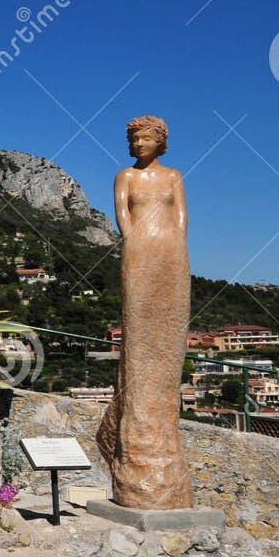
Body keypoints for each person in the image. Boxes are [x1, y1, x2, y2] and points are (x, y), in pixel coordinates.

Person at [97, 115, 195, 509]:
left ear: (160, 142)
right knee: (138, 338)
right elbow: (123, 216)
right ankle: (134, 449)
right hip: (139, 253)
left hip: (171, 253)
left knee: (169, 342)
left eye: (146, 139)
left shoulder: (173, 176)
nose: (139, 145)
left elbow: (182, 219)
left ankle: (165, 455)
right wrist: (137, 243)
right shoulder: (126, 177)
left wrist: (175, 251)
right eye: (134, 140)